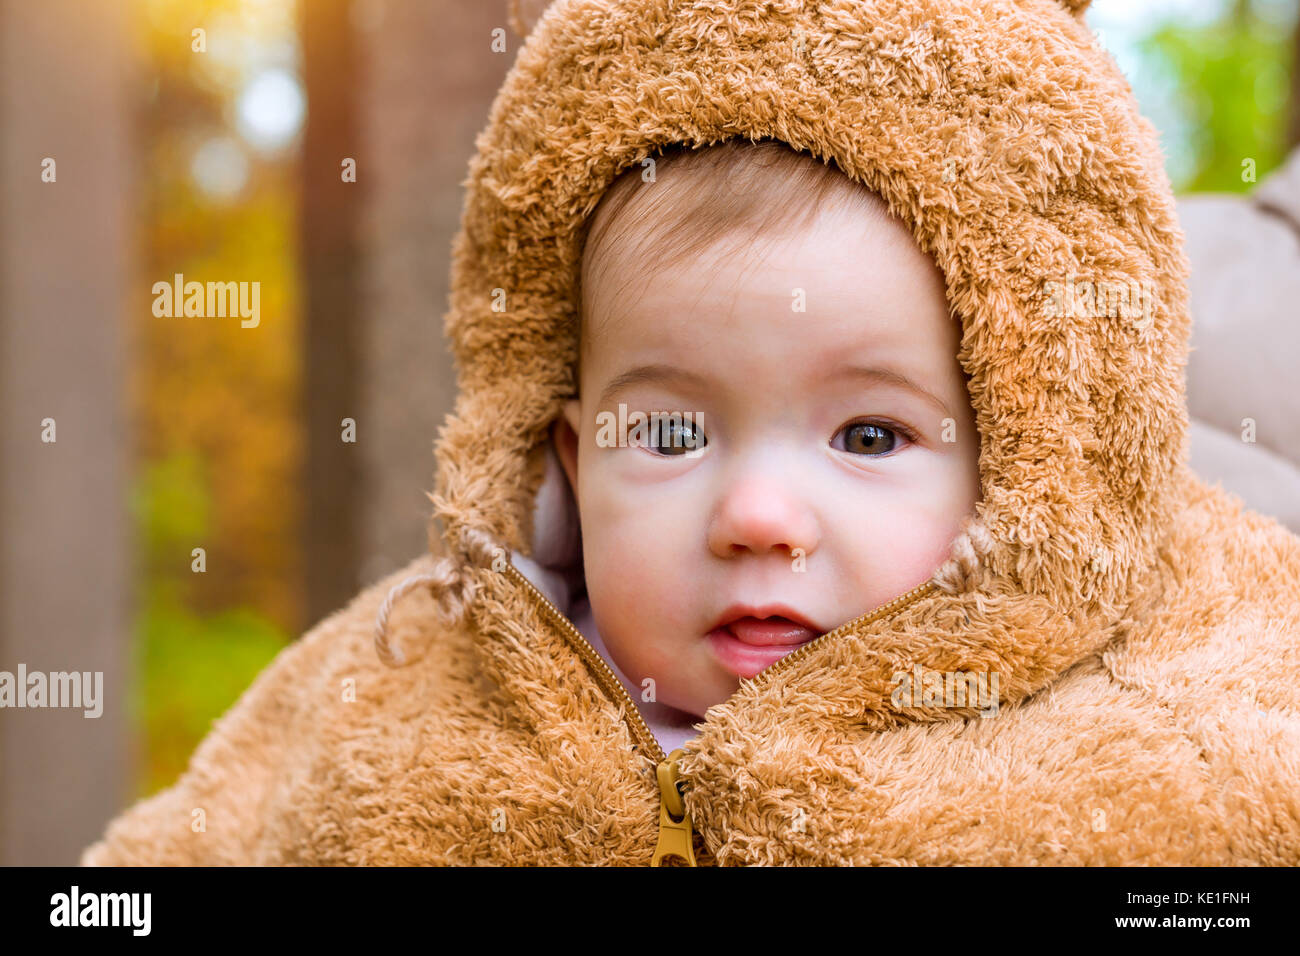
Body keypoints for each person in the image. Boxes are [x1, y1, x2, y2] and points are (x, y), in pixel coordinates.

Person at [82, 0, 1300, 866]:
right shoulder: (401, 689)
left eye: (869, 437)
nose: (757, 516)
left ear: (1014, 471)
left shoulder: (1176, 713)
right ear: (568, 458)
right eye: (670, 430)